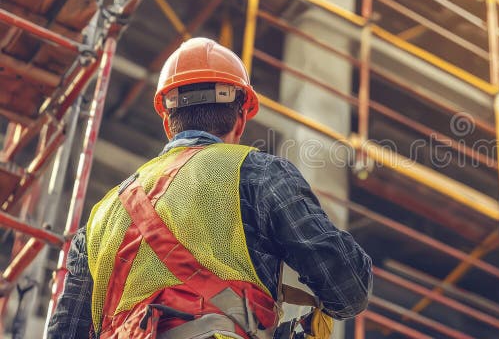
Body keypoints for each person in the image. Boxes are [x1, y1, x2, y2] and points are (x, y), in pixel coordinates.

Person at [46, 37, 372, 338]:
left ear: (167, 121)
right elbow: (348, 288)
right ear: (240, 119)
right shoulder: (258, 175)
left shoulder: (100, 218)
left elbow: (63, 332)